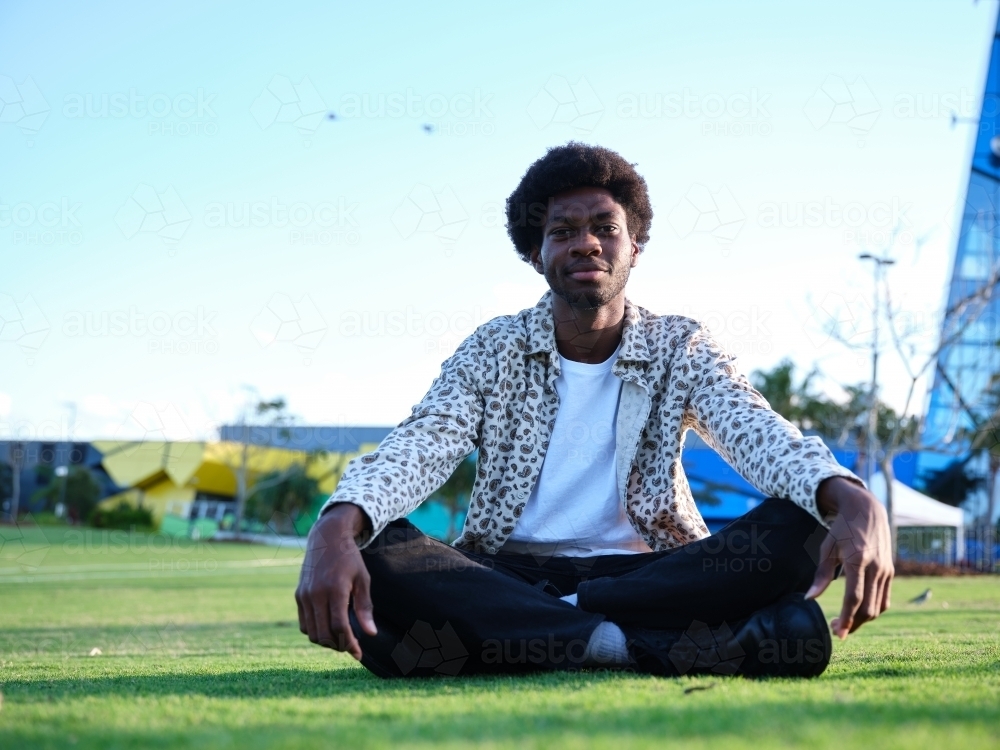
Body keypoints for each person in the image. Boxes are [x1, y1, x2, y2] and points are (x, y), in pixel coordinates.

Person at [296, 143, 894, 678]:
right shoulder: (494, 348)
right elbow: (424, 441)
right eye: (563, 231)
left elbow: (754, 429)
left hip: (653, 581)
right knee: (372, 547)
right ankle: (647, 646)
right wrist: (338, 520)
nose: (585, 242)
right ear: (536, 253)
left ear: (635, 245)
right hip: (505, 576)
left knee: (809, 521)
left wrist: (848, 493)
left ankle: (544, 632)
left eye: (604, 227)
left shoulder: (678, 345)